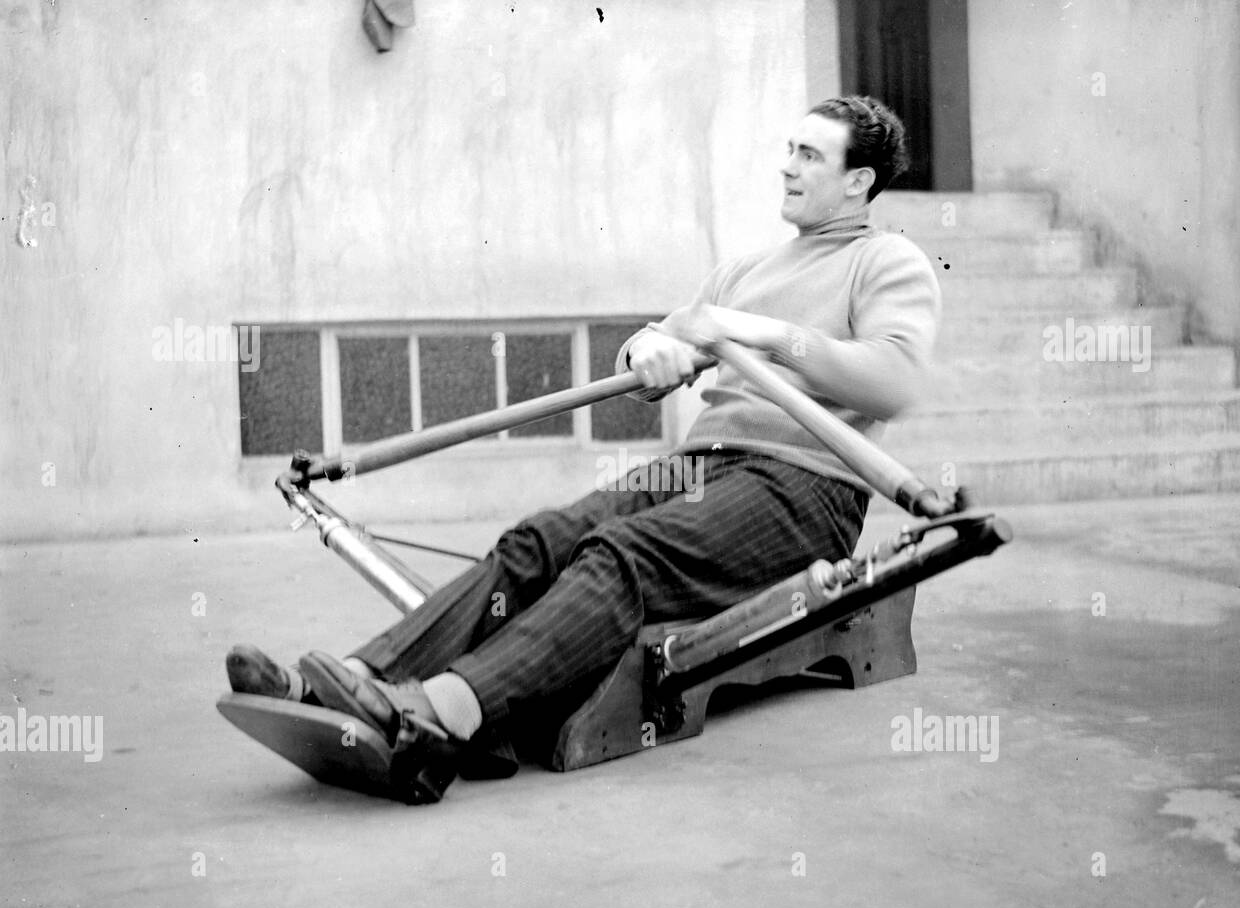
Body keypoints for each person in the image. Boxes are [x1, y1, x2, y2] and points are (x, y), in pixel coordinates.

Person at [226, 95, 941, 799]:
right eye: (789, 149)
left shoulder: (886, 261)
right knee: (536, 542)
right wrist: (651, 346)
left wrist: (760, 334)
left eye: (809, 155)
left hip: (803, 488)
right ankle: (350, 684)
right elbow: (655, 348)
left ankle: (444, 714)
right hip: (703, 465)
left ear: (859, 181)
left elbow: (895, 381)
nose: (787, 167)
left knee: (621, 558)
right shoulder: (746, 272)